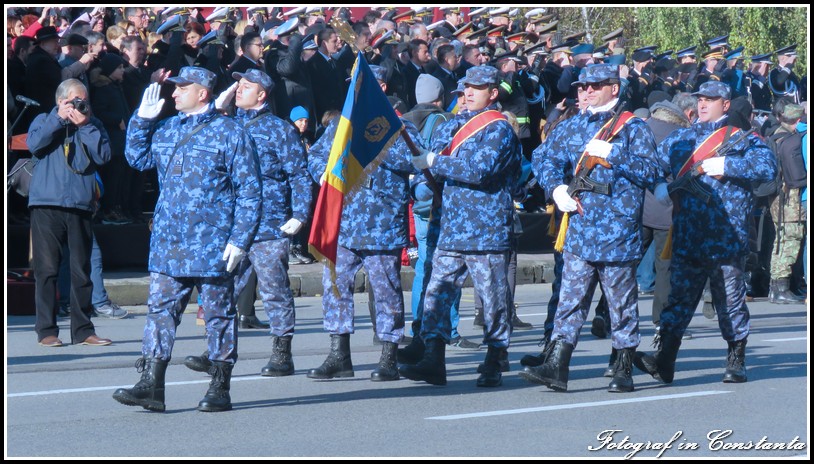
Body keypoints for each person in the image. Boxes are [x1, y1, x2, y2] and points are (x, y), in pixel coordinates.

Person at [113, 67, 261, 413]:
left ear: (203, 93)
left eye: (182, 88)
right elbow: (137, 159)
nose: (174, 94)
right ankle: (151, 384)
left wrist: (240, 240)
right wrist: (141, 121)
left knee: (219, 315)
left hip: (212, 243)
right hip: (169, 241)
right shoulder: (166, 129)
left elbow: (250, 192)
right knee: (160, 312)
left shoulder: (229, 133)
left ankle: (220, 385)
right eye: (174, 88)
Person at [522, 63, 659, 393]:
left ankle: (623, 365)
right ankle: (557, 365)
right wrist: (555, 188)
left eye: (595, 86)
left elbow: (651, 172)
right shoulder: (573, 126)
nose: (586, 92)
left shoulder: (632, 129)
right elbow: (543, 158)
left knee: (621, 304)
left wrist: (615, 154)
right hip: (581, 229)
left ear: (614, 88)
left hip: (617, 231)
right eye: (582, 87)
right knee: (570, 301)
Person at [636, 81, 777, 385]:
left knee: (730, 301)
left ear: (725, 105)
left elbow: (768, 167)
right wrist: (659, 185)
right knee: (679, 299)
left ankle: (736, 360)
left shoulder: (741, 139)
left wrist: (729, 164)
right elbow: (649, 166)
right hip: (688, 234)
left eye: (711, 99)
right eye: (700, 99)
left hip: (725, 238)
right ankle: (665, 360)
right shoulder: (682, 138)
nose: (703, 104)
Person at [183, 68, 312, 377]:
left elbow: (298, 175)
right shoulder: (226, 126)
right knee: (223, 290)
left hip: (270, 224)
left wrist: (299, 215)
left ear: (262, 94)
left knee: (274, 290)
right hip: (235, 226)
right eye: (237, 85)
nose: (238, 90)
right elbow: (198, 127)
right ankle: (218, 351)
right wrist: (220, 102)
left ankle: (282, 353)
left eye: (246, 86)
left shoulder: (280, 130)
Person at [399, 65, 522, 388]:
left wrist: (433, 162)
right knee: (437, 292)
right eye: (466, 86)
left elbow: (478, 170)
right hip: (451, 225)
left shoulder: (499, 129)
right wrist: (423, 169)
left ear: (492, 93)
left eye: (476, 87)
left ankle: (496, 356)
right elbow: (434, 159)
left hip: (486, 229)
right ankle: (433, 357)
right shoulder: (452, 124)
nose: (468, 92)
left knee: (492, 297)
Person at [305, 64, 420, 382]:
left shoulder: (401, 128)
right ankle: (339, 354)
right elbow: (316, 156)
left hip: (382, 224)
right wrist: (326, 175)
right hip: (344, 223)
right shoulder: (341, 127)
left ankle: (389, 357)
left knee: (386, 291)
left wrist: (378, 143)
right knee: (335, 288)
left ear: (379, 89)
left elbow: (416, 161)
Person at [27, 78, 114, 347]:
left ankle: (83, 330)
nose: (80, 105)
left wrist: (84, 125)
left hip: (79, 204)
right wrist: (58, 119)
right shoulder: (44, 118)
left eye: (83, 101)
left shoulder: (92, 124)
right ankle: (46, 331)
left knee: (81, 270)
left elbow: (104, 156)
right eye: (75, 100)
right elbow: (35, 145)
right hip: (46, 204)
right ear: (60, 100)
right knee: (47, 270)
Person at [399, 74, 480, 359]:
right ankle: (451, 330)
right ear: (439, 97)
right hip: (441, 205)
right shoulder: (445, 121)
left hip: (419, 204)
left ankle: (421, 326)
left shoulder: (406, 121)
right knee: (447, 272)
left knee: (425, 267)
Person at [766, 103, 806, 304]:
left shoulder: (773, 136)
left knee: (780, 239)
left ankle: (776, 287)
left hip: (775, 196)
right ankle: (781, 287)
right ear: (798, 120)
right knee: (790, 239)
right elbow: (797, 176)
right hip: (788, 198)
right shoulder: (791, 141)